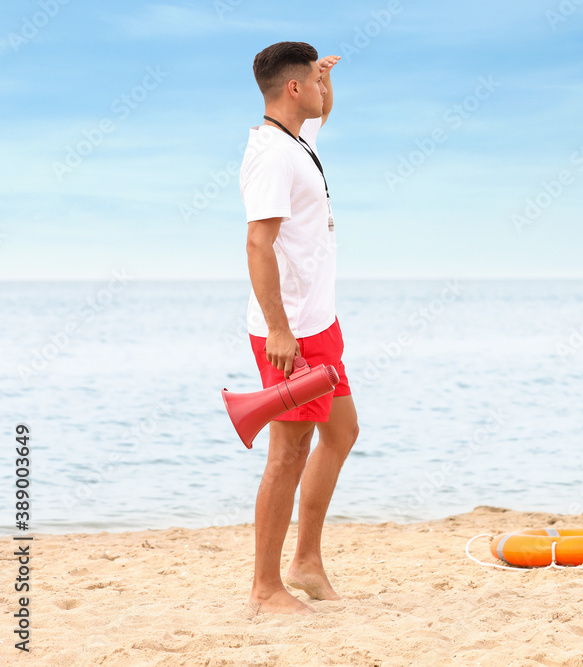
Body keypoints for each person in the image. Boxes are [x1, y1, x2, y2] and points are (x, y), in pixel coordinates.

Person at [239, 41, 356, 615]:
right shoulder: (271, 156)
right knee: (286, 455)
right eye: (312, 79)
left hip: (320, 323)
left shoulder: (297, 142)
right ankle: (265, 589)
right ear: (292, 89)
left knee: (341, 433)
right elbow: (258, 242)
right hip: (292, 333)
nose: (320, 89)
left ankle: (305, 562)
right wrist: (279, 330)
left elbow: (322, 114)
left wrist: (326, 81)